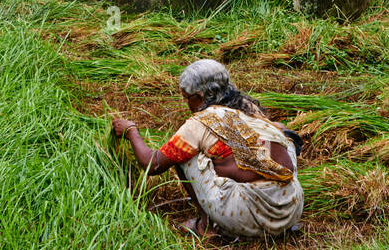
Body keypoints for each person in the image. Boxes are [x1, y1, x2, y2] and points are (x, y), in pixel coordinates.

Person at [111, 59, 304, 240]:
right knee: (278, 131)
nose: (186, 104)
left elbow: (153, 165)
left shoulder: (200, 123)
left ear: (199, 96)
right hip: (291, 208)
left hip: (246, 217)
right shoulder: (247, 107)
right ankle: (280, 226)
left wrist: (131, 131)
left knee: (181, 154)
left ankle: (208, 226)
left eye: (187, 98)